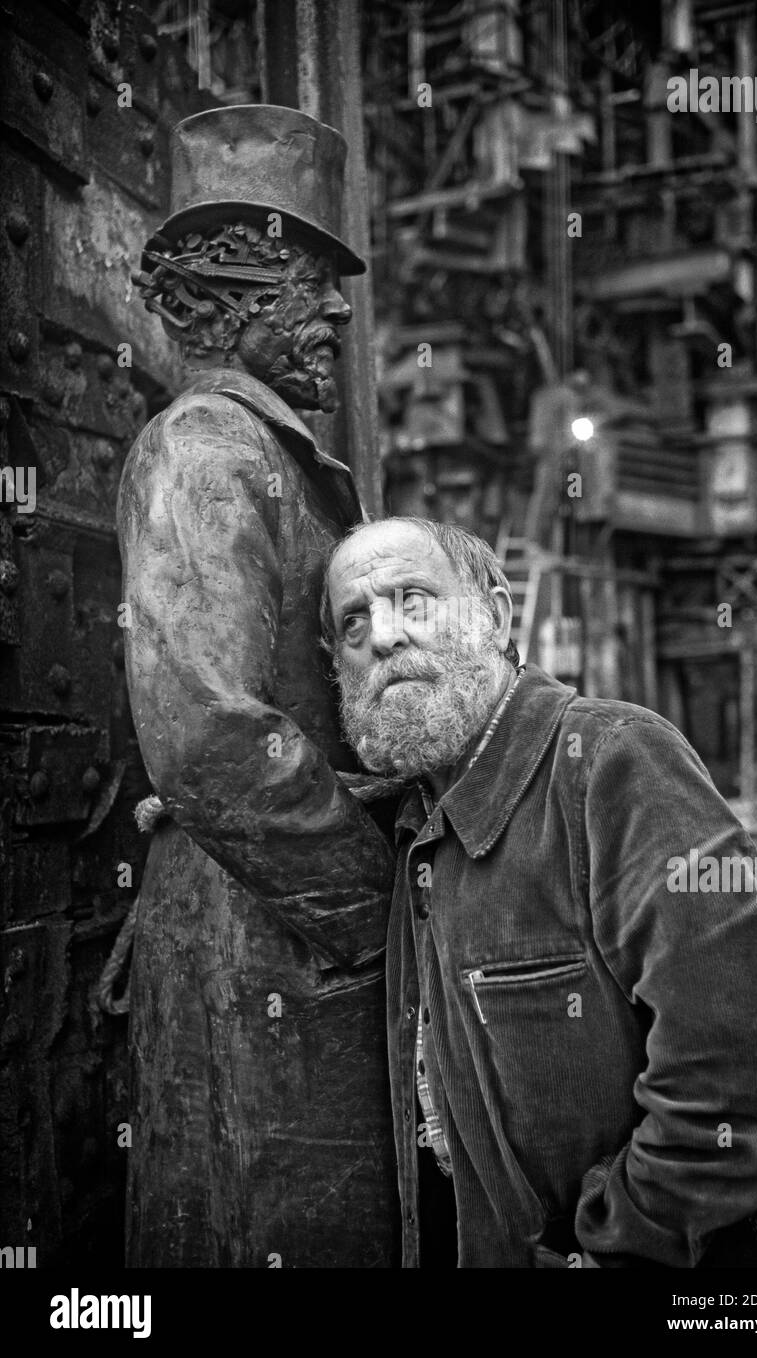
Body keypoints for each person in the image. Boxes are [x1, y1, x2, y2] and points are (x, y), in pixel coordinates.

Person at [321, 513, 757, 1268]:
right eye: (352, 622)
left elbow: (742, 1099)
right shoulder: (413, 825)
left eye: (414, 599)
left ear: (497, 616)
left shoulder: (613, 763)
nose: (383, 635)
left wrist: (603, 1248)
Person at [117, 105, 397, 1267]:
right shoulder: (208, 452)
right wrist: (382, 902)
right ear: (238, 289)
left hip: (278, 931)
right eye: (315, 281)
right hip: (267, 938)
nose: (340, 311)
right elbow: (210, 738)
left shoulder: (271, 456)